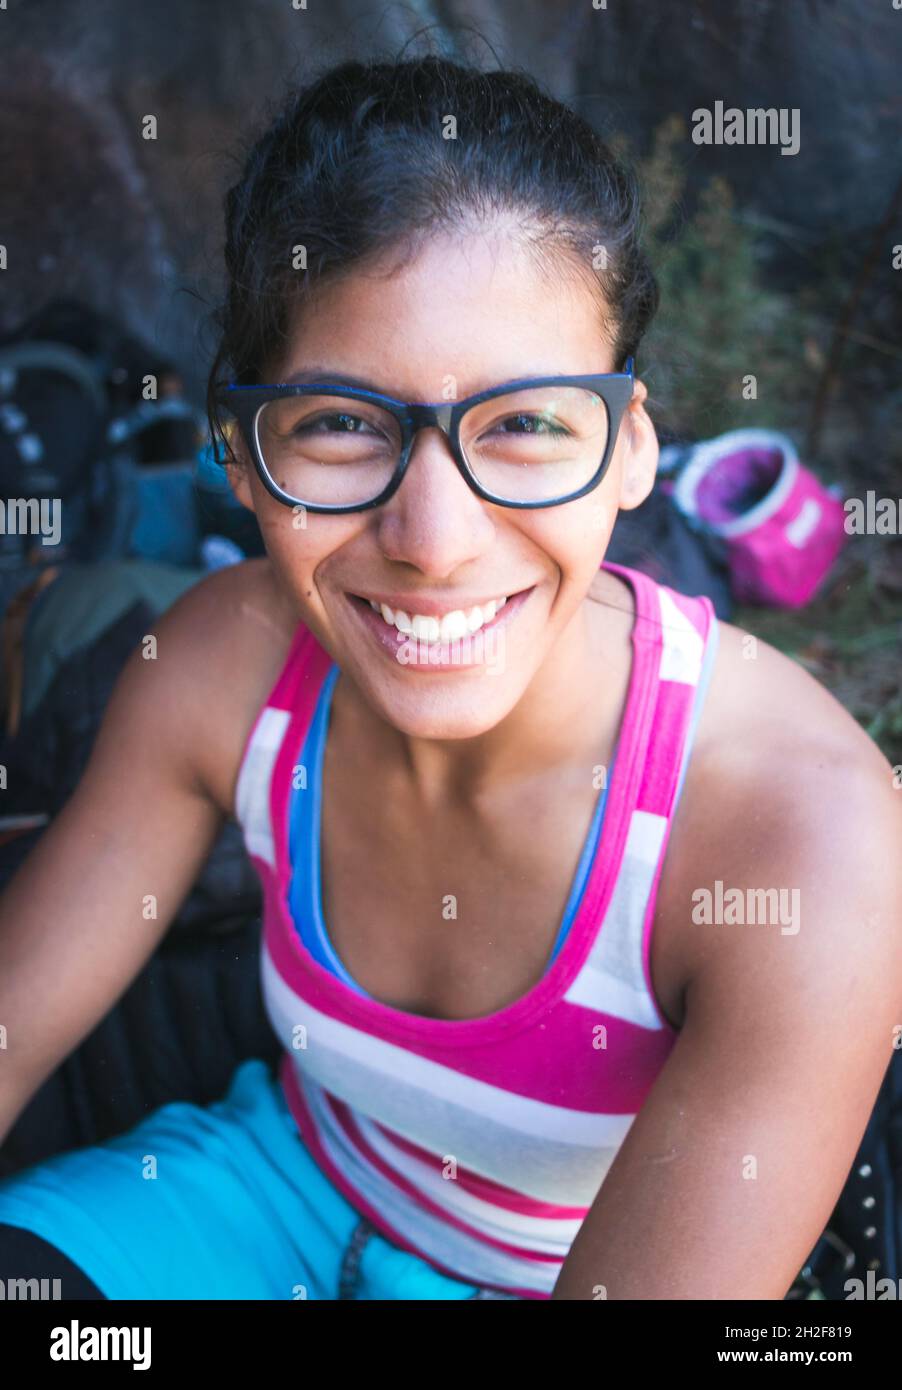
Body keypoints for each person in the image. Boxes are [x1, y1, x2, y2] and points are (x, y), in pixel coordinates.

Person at [0, 53, 899, 1302]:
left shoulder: (797, 837)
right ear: (243, 462)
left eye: (526, 424)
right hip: (276, 1189)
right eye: (340, 422)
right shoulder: (221, 667)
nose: (433, 540)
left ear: (631, 447)